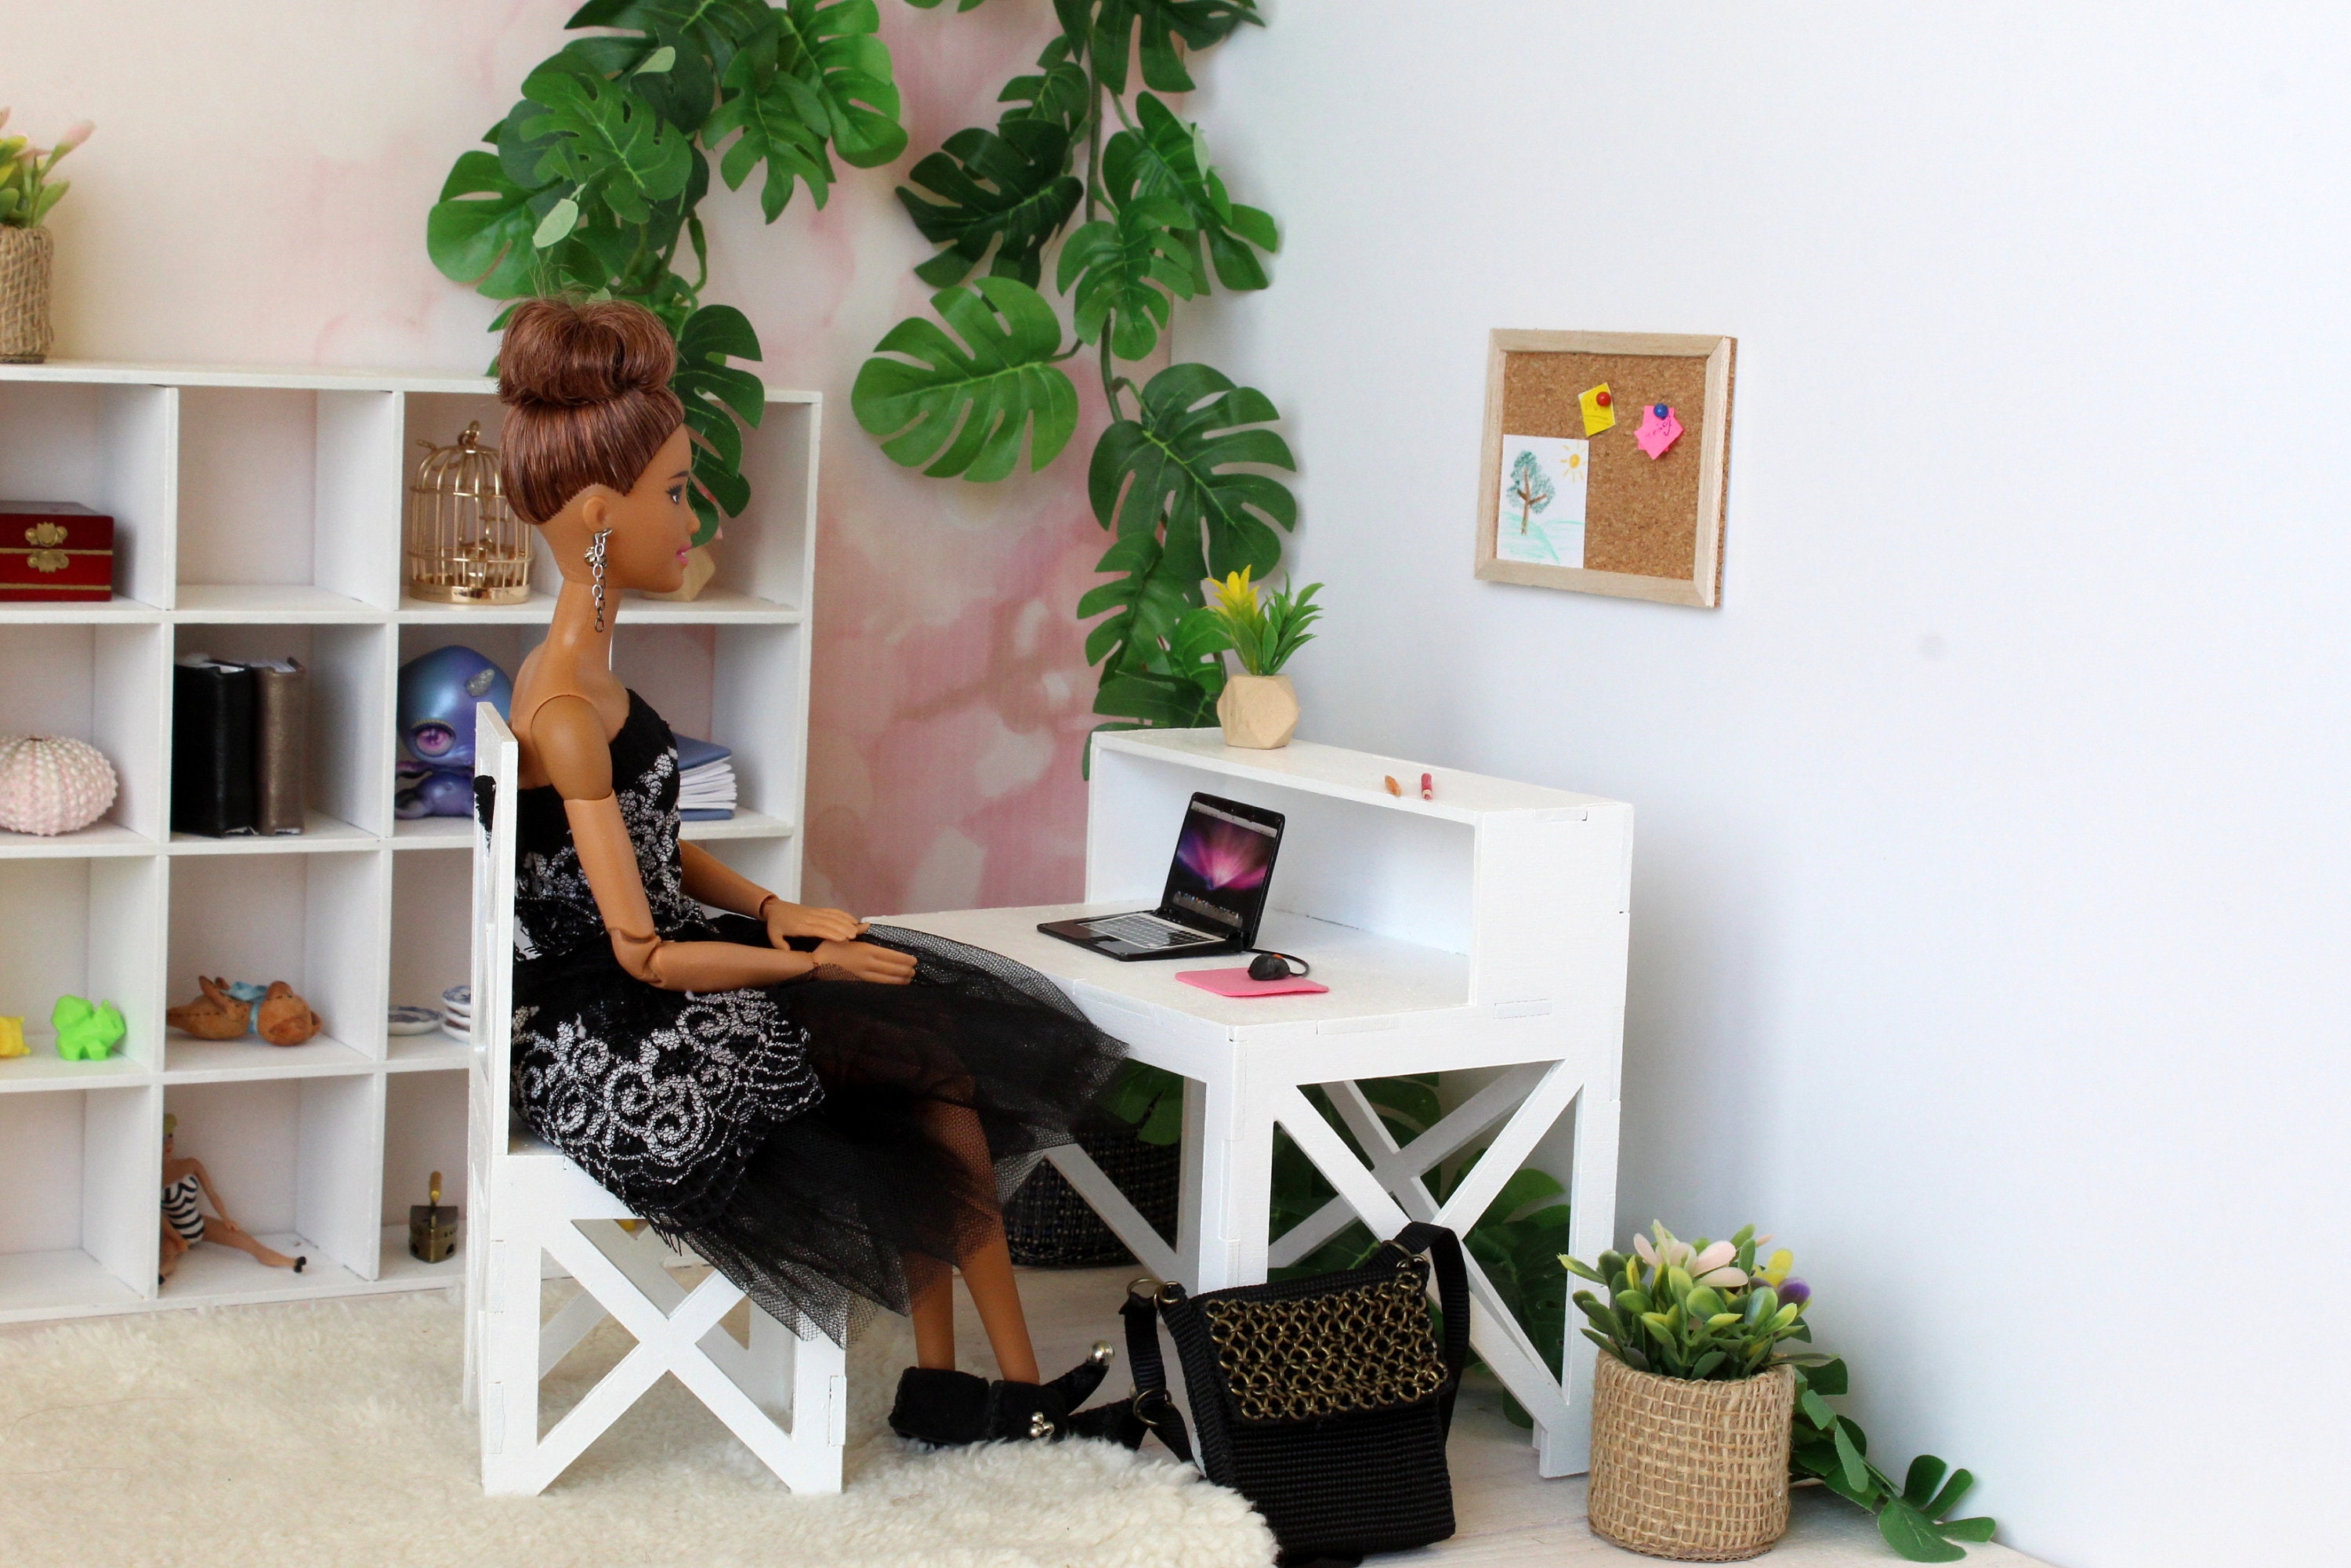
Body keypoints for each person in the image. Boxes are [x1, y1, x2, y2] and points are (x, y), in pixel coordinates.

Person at [494, 295, 1132, 1447]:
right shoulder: (563, 705)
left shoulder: (584, 672)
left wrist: (781, 909)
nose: (698, 517)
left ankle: (980, 1386)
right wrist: (802, 958)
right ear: (599, 517)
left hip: (655, 985)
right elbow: (637, 944)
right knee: (918, 1062)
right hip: (612, 1037)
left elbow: (654, 845)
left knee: (928, 1059)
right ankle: (984, 1392)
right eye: (678, 493)